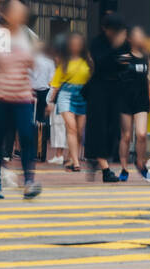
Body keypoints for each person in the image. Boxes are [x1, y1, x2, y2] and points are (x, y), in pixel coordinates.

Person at [0, 0, 38, 200]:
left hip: (22, 97)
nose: (20, 14)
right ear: (5, 14)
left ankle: (29, 182)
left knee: (26, 137)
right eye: (16, 11)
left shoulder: (28, 35)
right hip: (1, 98)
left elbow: (33, 64)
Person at [82, 12, 124, 182]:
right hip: (98, 89)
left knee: (114, 128)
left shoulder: (123, 43)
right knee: (98, 128)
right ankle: (105, 170)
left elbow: (127, 62)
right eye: (112, 30)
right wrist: (116, 52)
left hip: (115, 90)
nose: (115, 33)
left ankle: (95, 159)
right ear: (104, 29)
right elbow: (100, 63)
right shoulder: (96, 43)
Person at [115, 24, 150, 181]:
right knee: (126, 136)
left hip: (141, 100)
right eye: (138, 35)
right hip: (124, 100)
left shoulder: (146, 57)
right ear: (130, 39)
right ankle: (124, 169)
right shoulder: (124, 56)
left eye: (142, 35)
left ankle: (140, 164)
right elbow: (115, 73)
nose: (141, 38)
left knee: (141, 134)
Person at [49, 30, 88, 171]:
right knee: (71, 127)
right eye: (73, 44)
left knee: (79, 131)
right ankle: (76, 162)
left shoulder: (88, 61)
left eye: (78, 44)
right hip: (66, 94)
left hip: (83, 95)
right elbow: (55, 84)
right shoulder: (64, 62)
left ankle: (72, 158)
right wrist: (50, 102)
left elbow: (93, 81)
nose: (75, 46)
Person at [30, 35, 52, 162]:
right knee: (40, 121)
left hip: (38, 92)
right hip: (38, 92)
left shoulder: (46, 62)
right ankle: (37, 151)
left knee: (37, 122)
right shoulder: (48, 62)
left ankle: (38, 151)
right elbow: (51, 80)